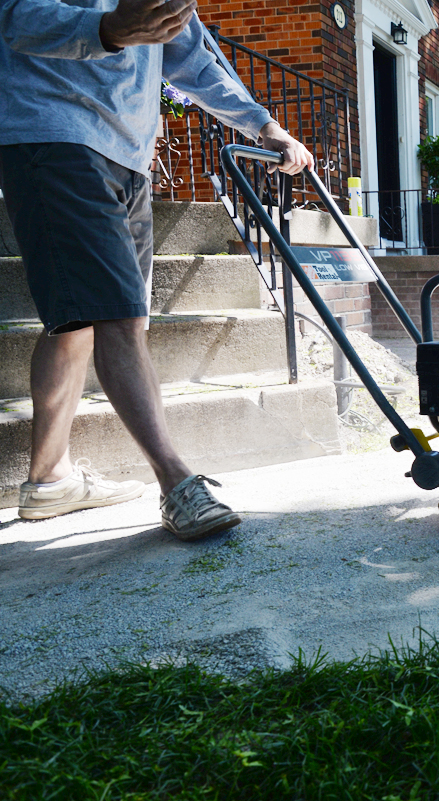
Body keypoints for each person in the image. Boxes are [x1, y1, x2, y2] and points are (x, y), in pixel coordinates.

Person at [0, 0, 314, 540]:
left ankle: (50, 479)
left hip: (128, 152)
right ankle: (176, 482)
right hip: (54, 132)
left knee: (87, 317)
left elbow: (192, 56)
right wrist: (106, 28)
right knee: (118, 317)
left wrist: (263, 125)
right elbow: (13, 15)